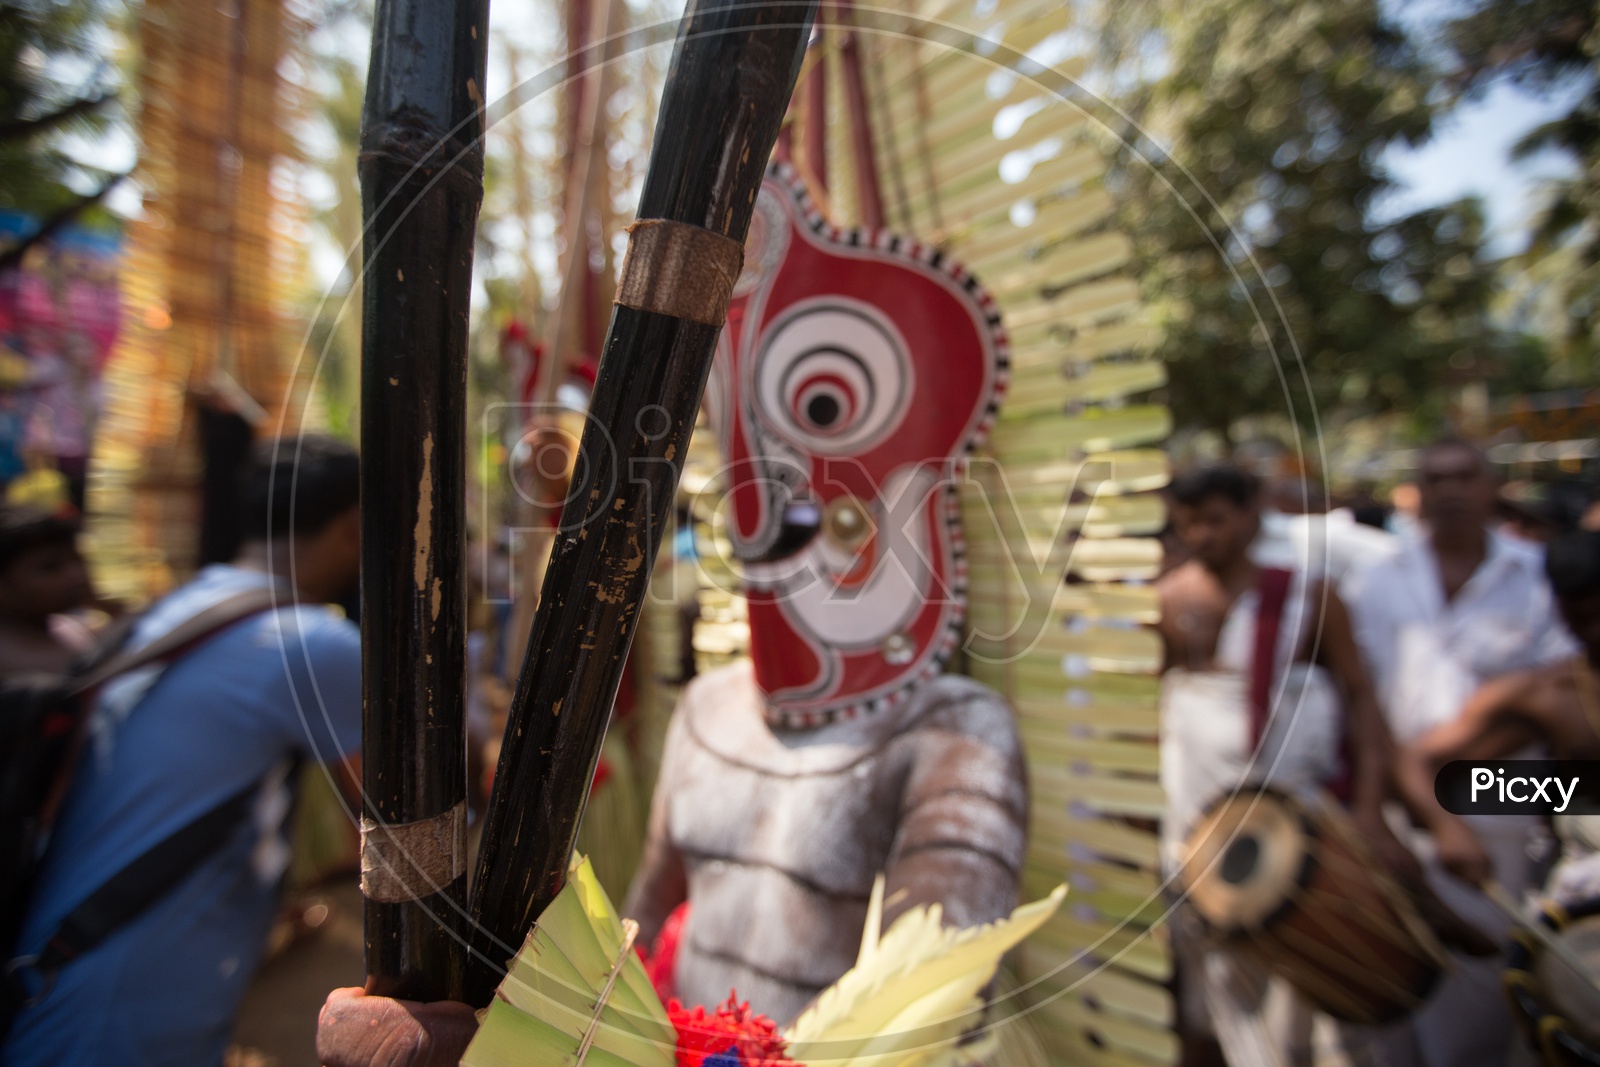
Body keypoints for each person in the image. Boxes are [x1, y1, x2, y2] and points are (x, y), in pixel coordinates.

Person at [1, 435, 363, 1067]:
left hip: (62, 984)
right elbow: (403, 827)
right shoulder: (313, 642)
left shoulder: (178, 607)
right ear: (358, 526)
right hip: (118, 1019)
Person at [1156, 465, 1410, 1067]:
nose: (1201, 535)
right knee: (1213, 993)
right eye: (1188, 523)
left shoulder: (1309, 595)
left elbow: (1362, 702)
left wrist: (1371, 810)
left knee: (1321, 999)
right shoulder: (1167, 602)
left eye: (1215, 519)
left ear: (1253, 514)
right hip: (1196, 831)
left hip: (1297, 826)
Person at [1345, 436, 1578, 1067]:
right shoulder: (1378, 578)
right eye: (1433, 479)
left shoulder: (1537, 574)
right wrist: (1380, 810)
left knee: (1476, 1028)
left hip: (1498, 823)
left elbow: (1553, 706)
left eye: (1462, 477)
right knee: (1394, 1022)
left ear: (1490, 486)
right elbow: (1363, 700)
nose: (1448, 492)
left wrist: (1446, 792)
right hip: (1397, 826)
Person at [1396, 527, 1600, 906]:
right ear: (1561, 611)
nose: (1596, 631)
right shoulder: (1549, 692)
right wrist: (1448, 829)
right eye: (1583, 619)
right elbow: (1418, 758)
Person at [0, 504, 95, 679]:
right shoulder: (7, 661)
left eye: (77, 559)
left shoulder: (68, 628)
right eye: (50, 568)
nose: (78, 576)